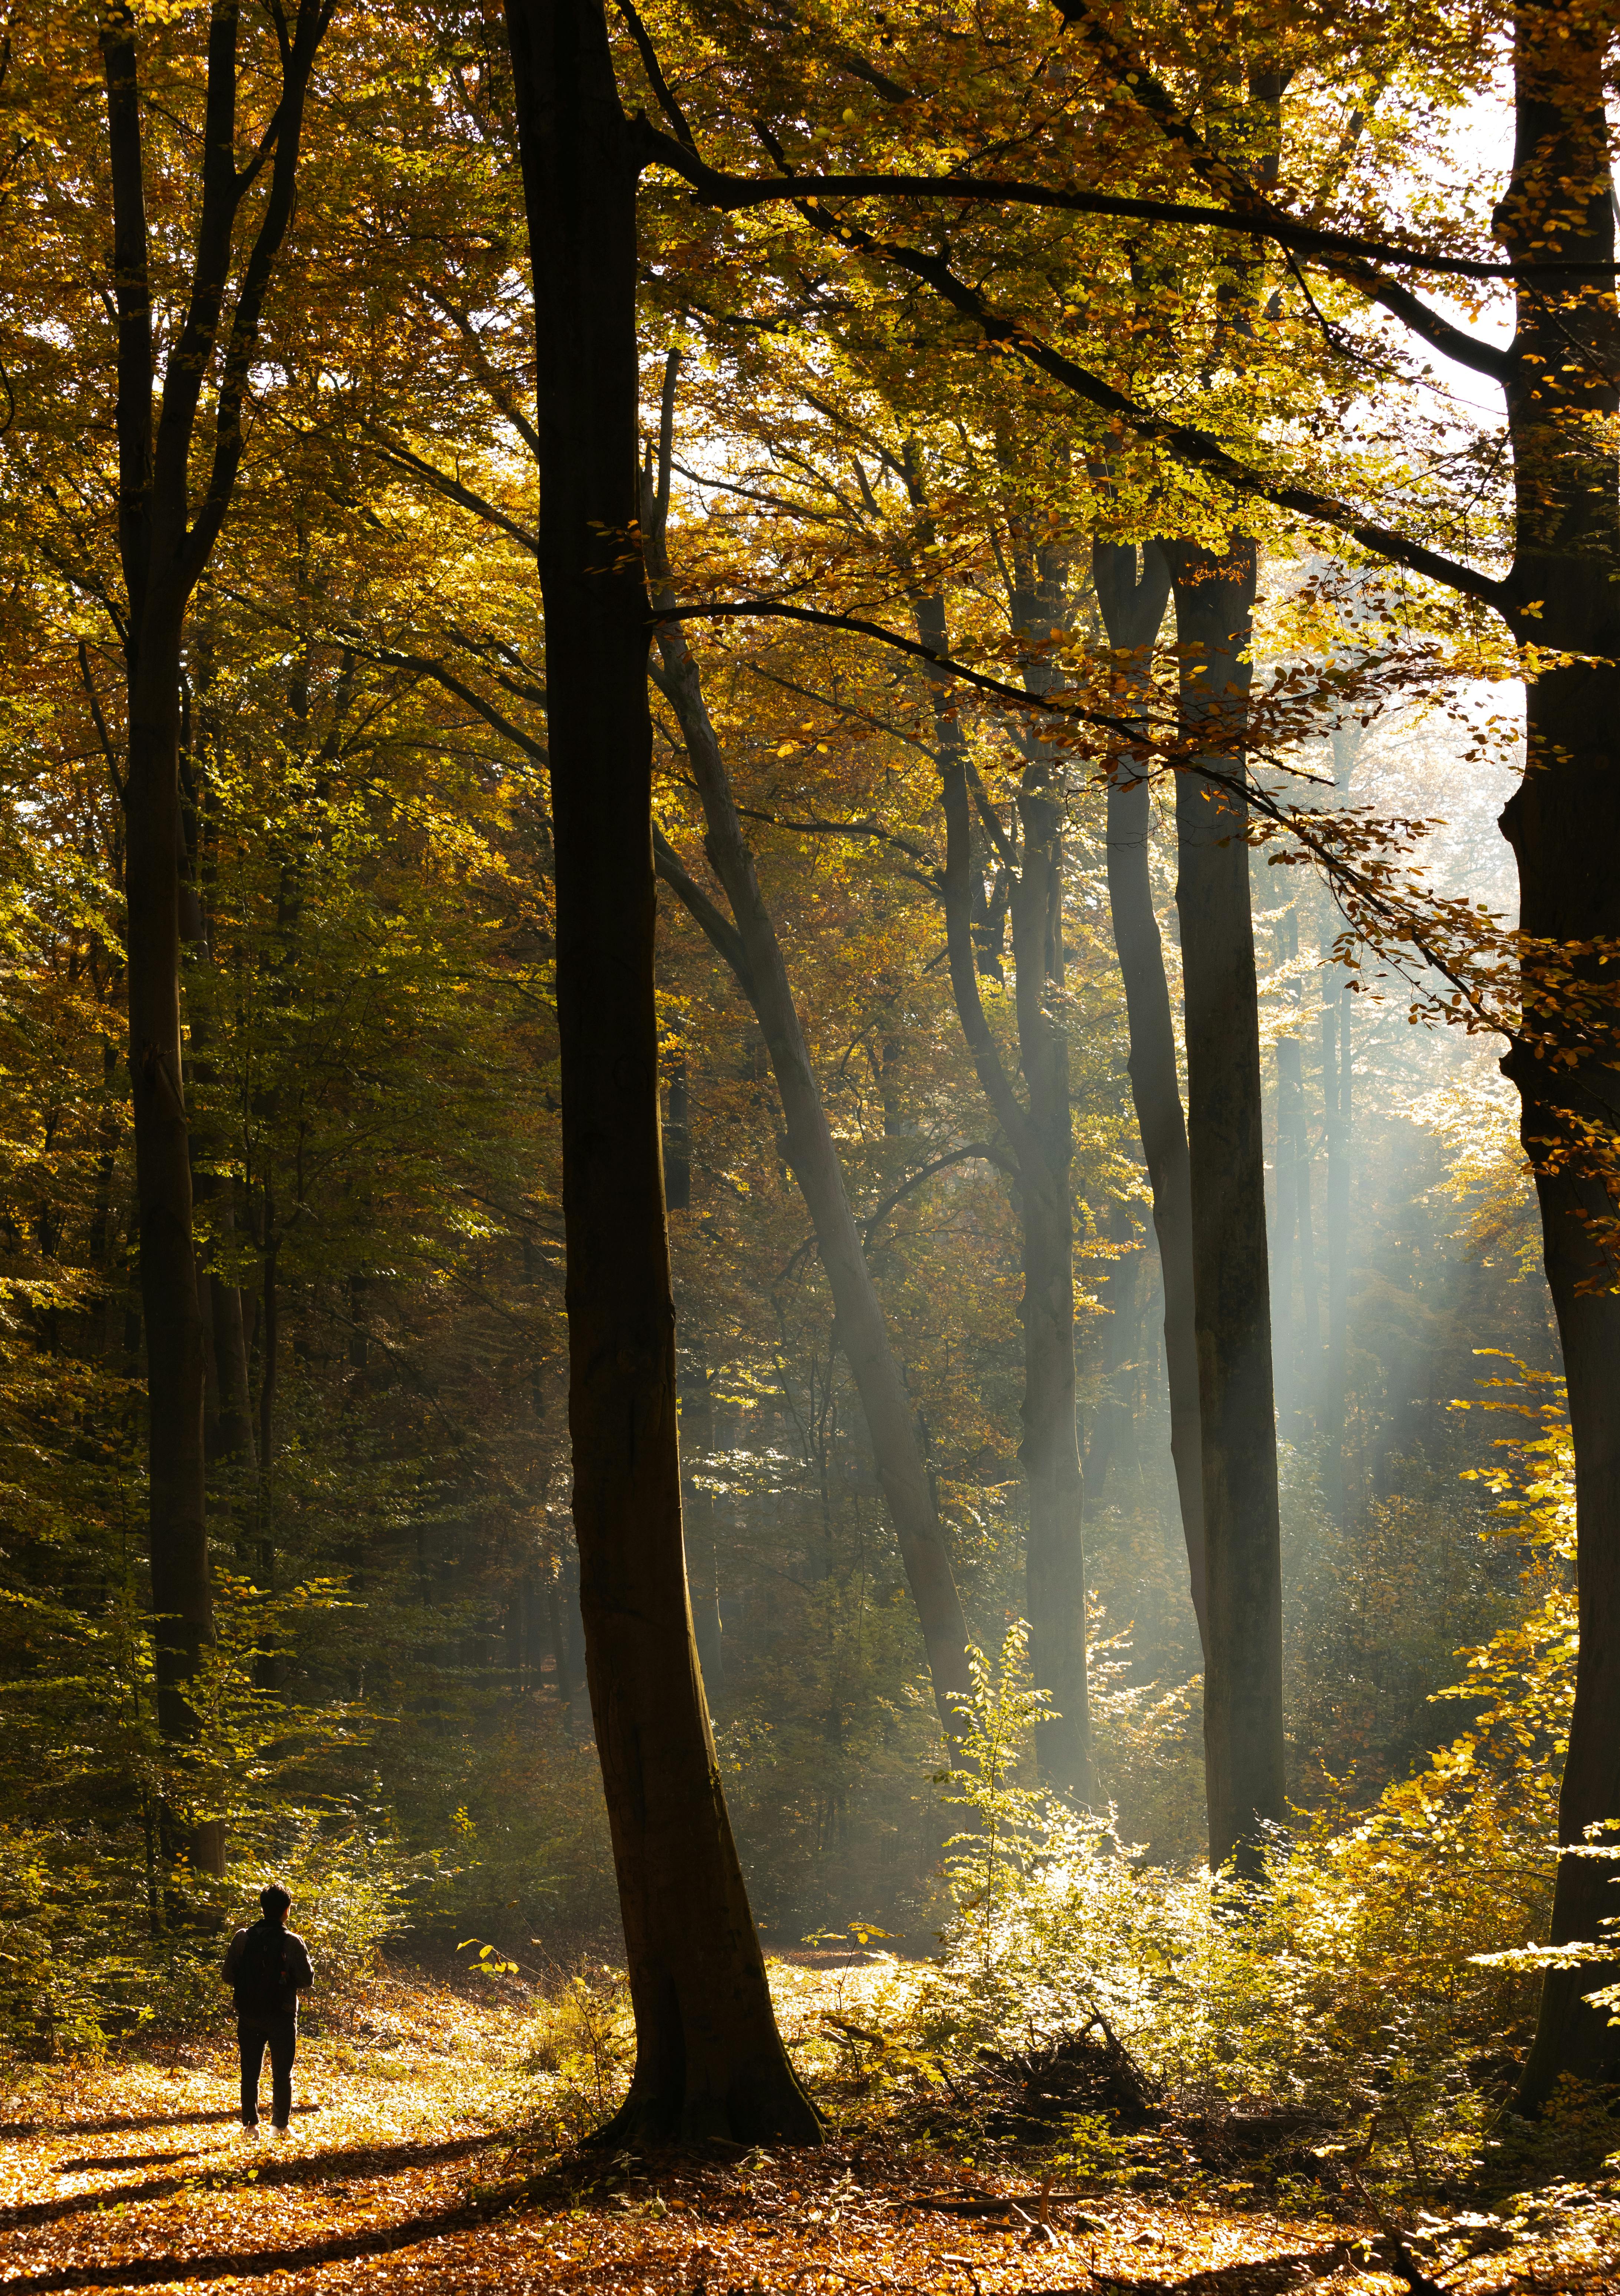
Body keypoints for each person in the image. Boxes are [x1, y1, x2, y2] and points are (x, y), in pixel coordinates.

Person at [222, 1883, 315, 2133]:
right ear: (287, 1910)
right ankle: (280, 2127)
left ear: (262, 1908)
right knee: (282, 2073)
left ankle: (250, 2126)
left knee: (250, 2072)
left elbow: (227, 1975)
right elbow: (307, 1980)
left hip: (249, 2013)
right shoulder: (292, 1941)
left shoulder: (243, 1937)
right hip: (282, 2014)